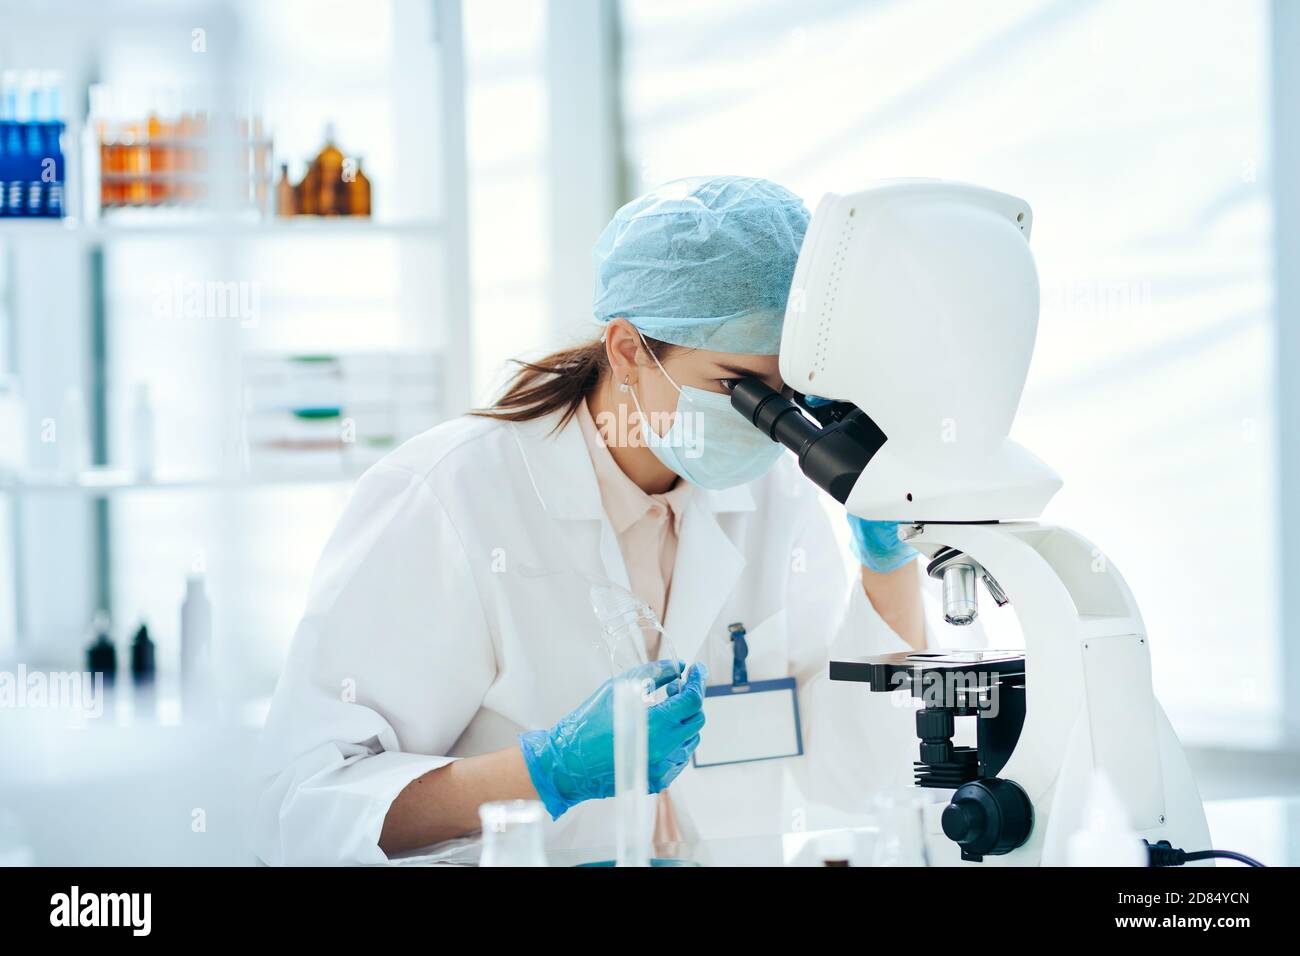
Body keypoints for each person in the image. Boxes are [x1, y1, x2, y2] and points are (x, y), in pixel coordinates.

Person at [253, 175, 938, 866]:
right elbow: (307, 810)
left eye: (789, 393)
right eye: (739, 390)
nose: (771, 424)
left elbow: (855, 782)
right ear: (628, 351)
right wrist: (544, 772)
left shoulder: (775, 497)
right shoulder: (449, 495)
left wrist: (890, 567)